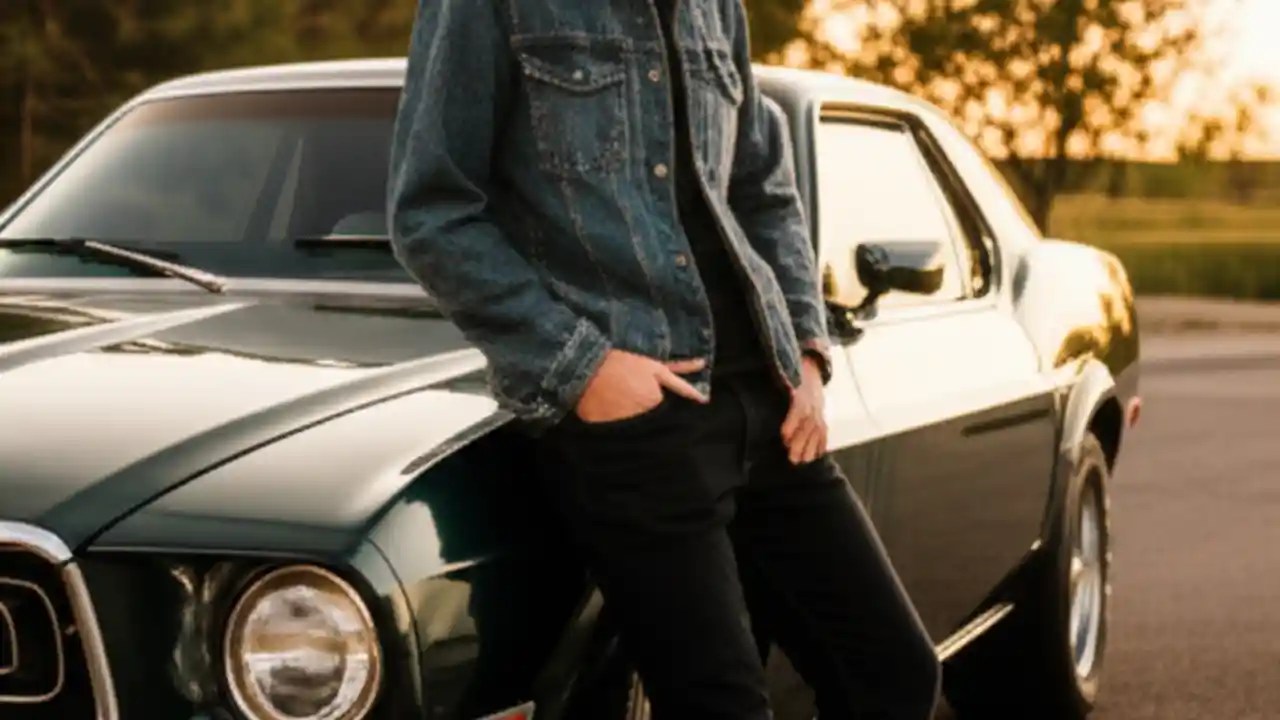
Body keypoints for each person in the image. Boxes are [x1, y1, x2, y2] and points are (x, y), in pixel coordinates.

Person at [388, 1, 941, 717]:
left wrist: (805, 347)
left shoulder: (718, 8)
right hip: (641, 422)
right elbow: (431, 211)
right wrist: (580, 366)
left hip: (770, 404)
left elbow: (762, 190)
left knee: (893, 671)